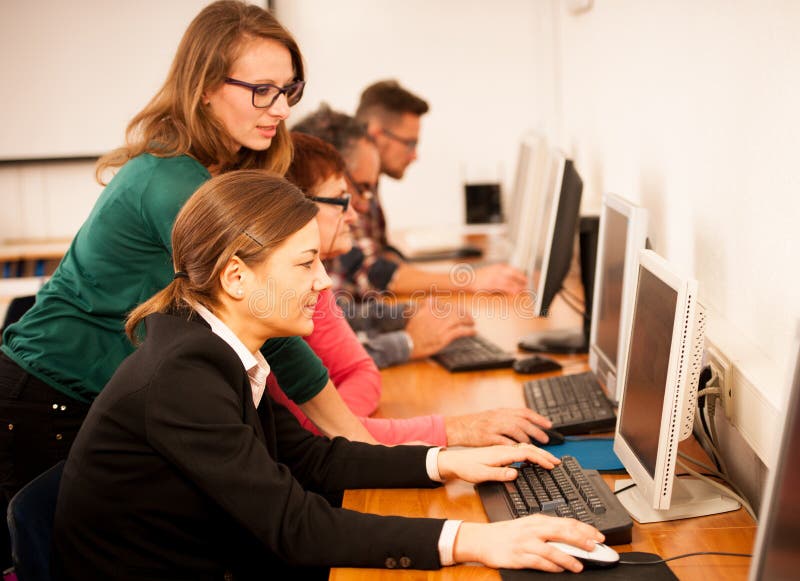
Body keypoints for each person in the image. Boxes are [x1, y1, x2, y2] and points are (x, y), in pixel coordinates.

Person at [53, 170, 604, 580]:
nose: (323, 283)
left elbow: (317, 456)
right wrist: (474, 541)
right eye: (305, 263)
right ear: (237, 277)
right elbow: (294, 526)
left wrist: (447, 462)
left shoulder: (213, 344)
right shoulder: (184, 376)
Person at [0, 1, 376, 565]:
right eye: (261, 90)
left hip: (91, 396)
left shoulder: (220, 171)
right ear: (203, 87)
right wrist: (360, 443)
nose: (278, 108)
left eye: (288, 91)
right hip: (48, 399)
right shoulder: (173, 182)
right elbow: (274, 329)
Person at [273, 132, 553, 447]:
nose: (356, 212)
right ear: (294, 207)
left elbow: (359, 374)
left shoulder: (316, 283)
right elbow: (317, 430)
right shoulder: (275, 299)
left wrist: (338, 420)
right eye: (343, 200)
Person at [293, 105, 476, 367]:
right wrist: (407, 342)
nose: (360, 211)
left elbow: (338, 317)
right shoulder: (283, 286)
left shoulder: (313, 277)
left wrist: (404, 315)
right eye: (342, 195)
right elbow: (324, 362)